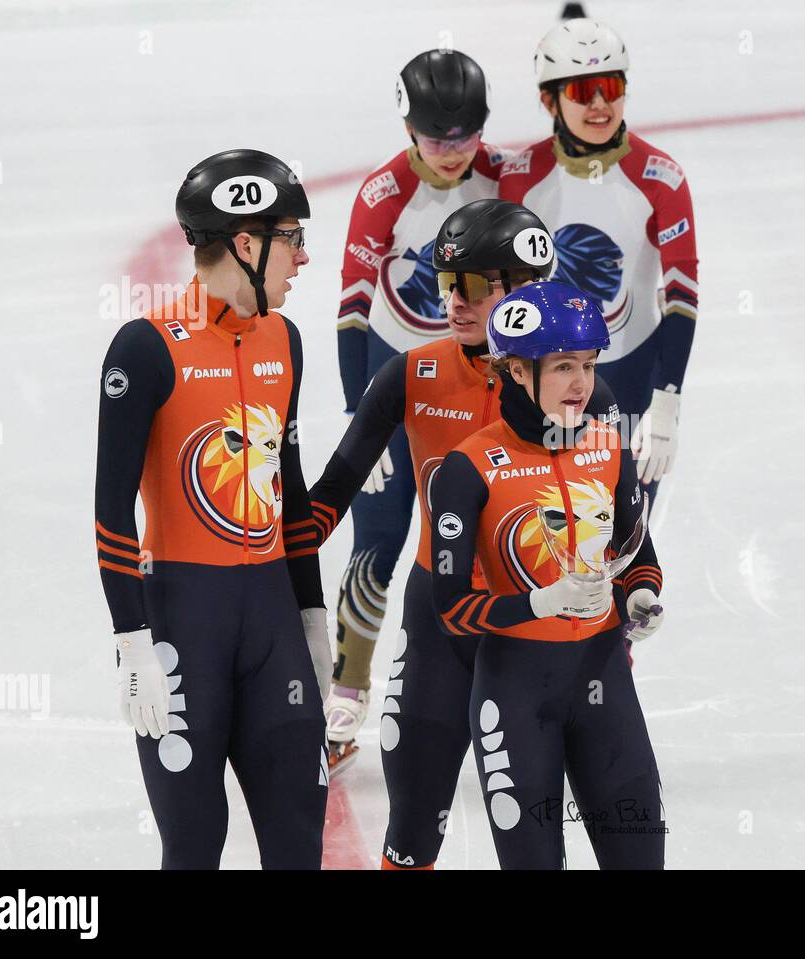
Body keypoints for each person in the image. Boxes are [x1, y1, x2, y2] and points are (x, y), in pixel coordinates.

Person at [309, 201, 620, 867]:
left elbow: (619, 521)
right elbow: (328, 497)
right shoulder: (412, 374)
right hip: (443, 622)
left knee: (541, 838)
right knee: (413, 826)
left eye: (476, 286)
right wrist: (260, 560)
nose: (455, 302)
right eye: (449, 285)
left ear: (526, 285)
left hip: (542, 630)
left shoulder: (584, 391)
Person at [95, 149, 332, 869]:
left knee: (297, 837)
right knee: (194, 844)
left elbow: (286, 491)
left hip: (271, 625)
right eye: (293, 238)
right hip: (181, 631)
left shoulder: (284, 340)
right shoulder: (145, 347)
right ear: (247, 243)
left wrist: (312, 615)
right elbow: (110, 509)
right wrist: (132, 637)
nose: (304, 257)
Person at [428, 281, 666, 869]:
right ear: (514, 370)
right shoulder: (468, 467)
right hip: (515, 696)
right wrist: (539, 603)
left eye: (587, 364)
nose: (582, 383)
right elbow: (450, 608)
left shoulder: (608, 444)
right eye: (563, 366)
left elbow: (637, 549)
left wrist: (639, 595)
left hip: (605, 683)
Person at [331, 48, 505, 737]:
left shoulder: (505, 177)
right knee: (378, 531)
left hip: (480, 375)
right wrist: (357, 415)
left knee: (487, 523)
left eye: (467, 137)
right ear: (408, 131)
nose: (455, 153)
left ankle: (499, 665)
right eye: (439, 140)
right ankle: (349, 683)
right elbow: (349, 309)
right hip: (399, 377)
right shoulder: (382, 194)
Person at [499, 17, 698, 506]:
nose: (600, 105)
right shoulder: (521, 178)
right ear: (550, 100)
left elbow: (682, 297)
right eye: (583, 91)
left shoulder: (661, 179)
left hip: (633, 373)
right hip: (540, 375)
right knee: (542, 529)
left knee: (622, 538)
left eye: (611, 88)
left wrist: (668, 400)